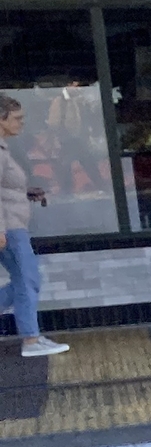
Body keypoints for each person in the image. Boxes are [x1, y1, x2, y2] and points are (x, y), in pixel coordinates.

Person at [0, 94, 67, 358]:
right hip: (9, 228)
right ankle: (31, 340)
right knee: (28, 280)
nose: (22, 123)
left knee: (25, 281)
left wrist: (25, 192)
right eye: (17, 118)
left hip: (13, 224)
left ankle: (32, 338)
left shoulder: (3, 148)